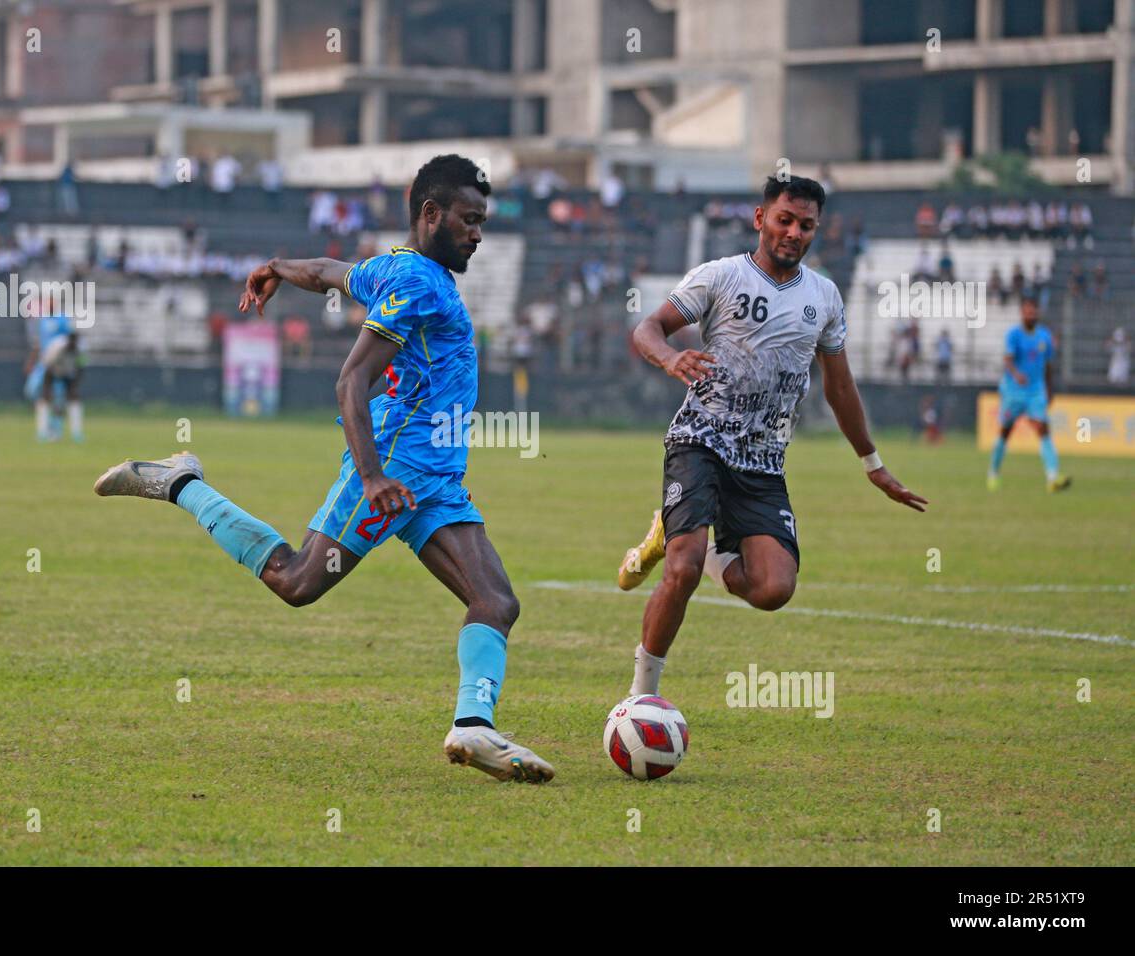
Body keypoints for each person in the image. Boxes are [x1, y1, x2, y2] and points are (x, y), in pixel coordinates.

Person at [92, 155, 554, 784]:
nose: (478, 233)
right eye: (469, 220)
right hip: (391, 472)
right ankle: (181, 483)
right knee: (297, 583)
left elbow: (330, 272)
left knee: (495, 601)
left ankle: (473, 729)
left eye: (482, 221)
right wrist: (369, 477)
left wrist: (278, 268)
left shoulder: (397, 270)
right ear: (431, 214)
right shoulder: (416, 284)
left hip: (435, 484)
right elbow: (351, 380)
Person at [613, 176, 926, 698]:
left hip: (762, 462)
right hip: (701, 440)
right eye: (785, 220)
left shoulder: (824, 296)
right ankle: (641, 698)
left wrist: (873, 464)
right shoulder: (721, 276)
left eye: (807, 226)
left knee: (774, 588)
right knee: (682, 569)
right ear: (761, 219)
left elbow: (840, 387)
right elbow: (647, 329)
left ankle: (679, 537)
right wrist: (670, 358)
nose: (794, 233)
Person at [987, 294, 1070, 493]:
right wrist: (1016, 375)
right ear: (1022, 313)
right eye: (1027, 311)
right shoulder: (1013, 335)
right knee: (1005, 432)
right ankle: (993, 472)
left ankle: (1052, 478)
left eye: (1033, 311)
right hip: (1013, 393)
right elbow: (1008, 360)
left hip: (1035, 392)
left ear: (1037, 312)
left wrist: (1049, 389)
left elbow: (1048, 365)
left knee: (1043, 429)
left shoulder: (1044, 337)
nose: (1031, 314)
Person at [23, 303, 85, 442]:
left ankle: (64, 431)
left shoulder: (78, 347)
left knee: (66, 398)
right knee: (38, 394)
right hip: (50, 367)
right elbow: (47, 364)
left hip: (67, 370)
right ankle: (44, 429)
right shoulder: (54, 348)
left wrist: (74, 385)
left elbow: (80, 367)